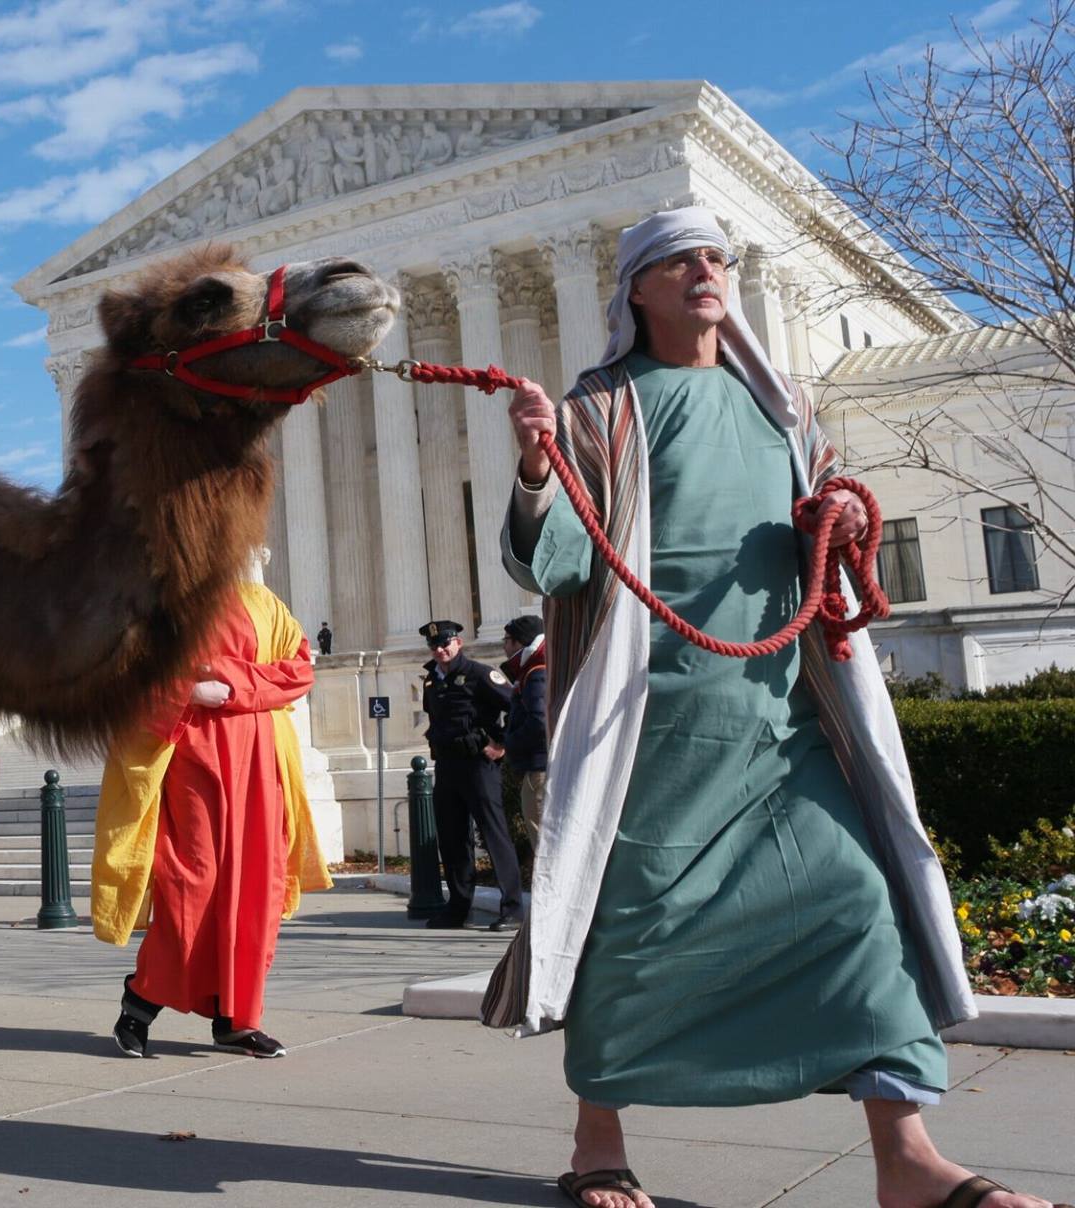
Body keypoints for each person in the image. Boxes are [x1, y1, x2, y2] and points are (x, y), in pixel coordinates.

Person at [501, 207, 1057, 1208]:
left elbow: (817, 499)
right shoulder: (599, 408)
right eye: (674, 262)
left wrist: (840, 510)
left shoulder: (785, 406)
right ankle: (596, 1142)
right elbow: (557, 560)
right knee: (626, 926)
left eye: (712, 256)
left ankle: (907, 1160)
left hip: (779, 713)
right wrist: (538, 470)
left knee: (853, 899)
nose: (702, 272)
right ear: (635, 290)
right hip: (651, 719)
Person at [94, 562, 330, 1060]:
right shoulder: (157, 600)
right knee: (191, 885)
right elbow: (124, 679)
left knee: (255, 889)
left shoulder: (264, 602)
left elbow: (301, 668)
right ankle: (139, 1004)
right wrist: (187, 691)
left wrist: (229, 681)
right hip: (190, 757)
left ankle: (237, 1020)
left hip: (261, 763)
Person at [416, 619, 522, 931]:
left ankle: (512, 908)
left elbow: (517, 705)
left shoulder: (478, 673)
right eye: (434, 645)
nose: (440, 649)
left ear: (458, 643)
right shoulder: (431, 681)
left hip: (478, 765)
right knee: (452, 839)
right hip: (447, 766)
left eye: (445, 643)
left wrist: (501, 744)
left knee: (494, 835)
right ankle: (458, 908)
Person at [499, 614, 548, 836]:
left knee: (540, 836)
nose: (504, 646)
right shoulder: (534, 669)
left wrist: (510, 742)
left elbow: (539, 721)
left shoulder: (535, 672)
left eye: (506, 640)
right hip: (538, 764)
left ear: (519, 643)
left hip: (538, 768)